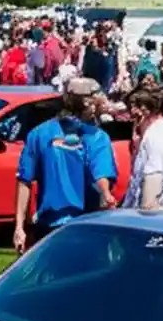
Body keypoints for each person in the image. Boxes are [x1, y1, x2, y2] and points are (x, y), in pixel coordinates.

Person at [13, 77, 118, 253]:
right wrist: (106, 194)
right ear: (89, 104)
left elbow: (24, 180)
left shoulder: (39, 133)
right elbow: (101, 174)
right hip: (87, 224)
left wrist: (19, 227)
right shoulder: (97, 137)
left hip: (48, 228)